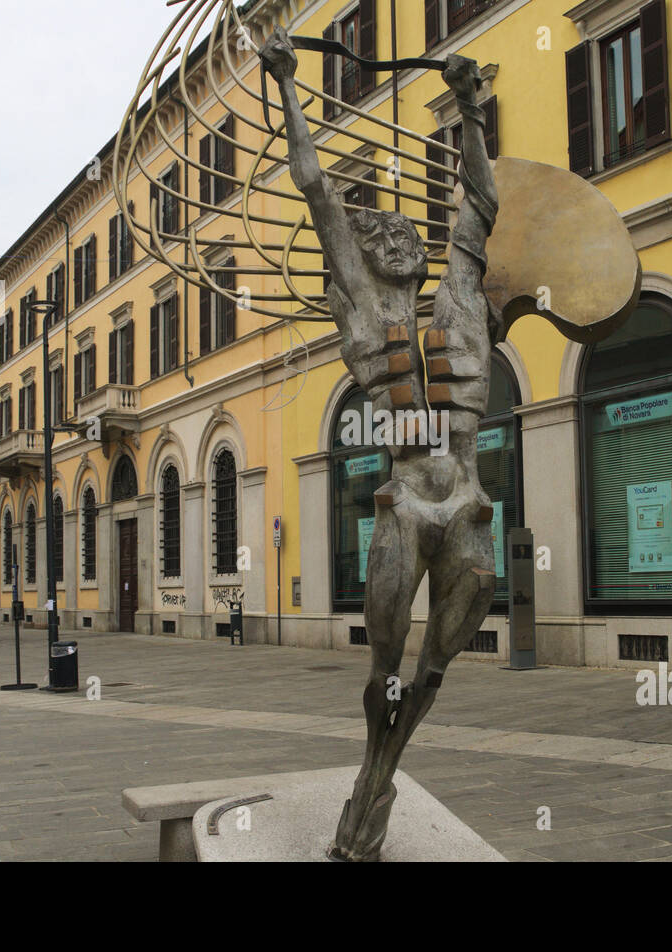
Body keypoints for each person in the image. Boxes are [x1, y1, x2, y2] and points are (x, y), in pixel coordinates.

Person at [260, 27, 501, 861]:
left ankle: (378, 775)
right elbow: (318, 189)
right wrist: (290, 86)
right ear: (363, 258)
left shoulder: (459, 299)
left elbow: (481, 205)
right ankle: (376, 765)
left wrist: (471, 111)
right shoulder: (365, 311)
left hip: (467, 501)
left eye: (407, 231)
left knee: (439, 665)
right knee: (384, 669)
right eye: (381, 235)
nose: (398, 234)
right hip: (402, 505)